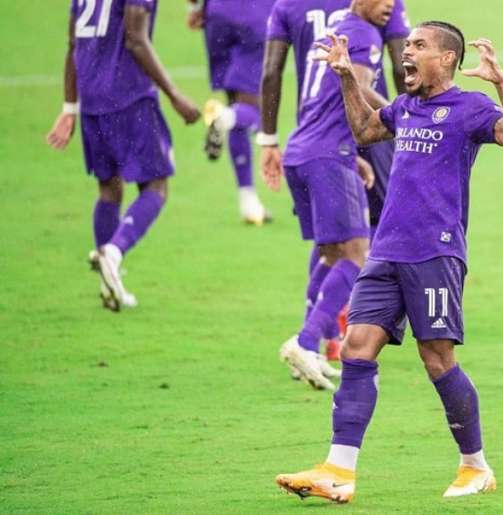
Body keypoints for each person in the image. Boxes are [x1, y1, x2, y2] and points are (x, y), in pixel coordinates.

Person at [275, 22, 503, 502]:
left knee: (436, 358)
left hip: (435, 252)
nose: (406, 53)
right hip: (387, 250)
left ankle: (475, 466)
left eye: (418, 46)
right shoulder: (406, 106)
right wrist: (347, 76)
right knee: (356, 347)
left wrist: (502, 84)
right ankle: (338, 470)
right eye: (407, 45)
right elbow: (366, 129)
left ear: (447, 59)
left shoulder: (469, 107)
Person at [260, 0, 411, 362]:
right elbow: (358, 89)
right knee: (358, 251)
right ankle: (308, 340)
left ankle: (320, 339)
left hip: (305, 147)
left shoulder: (338, 28)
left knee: (331, 253)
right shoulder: (364, 34)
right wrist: (408, 116)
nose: (390, 4)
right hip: (330, 152)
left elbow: (281, 76)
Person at [47, 0, 200, 311]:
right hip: (129, 97)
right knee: (156, 186)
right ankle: (112, 254)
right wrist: (175, 95)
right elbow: (135, 38)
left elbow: (73, 44)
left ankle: (108, 285)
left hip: (91, 101)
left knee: (109, 187)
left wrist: (69, 108)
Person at [187, 0, 273, 225]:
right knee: (252, 109)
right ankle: (223, 117)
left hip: (218, 14)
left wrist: (195, 8)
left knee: (235, 102)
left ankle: (248, 201)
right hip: (257, 14)